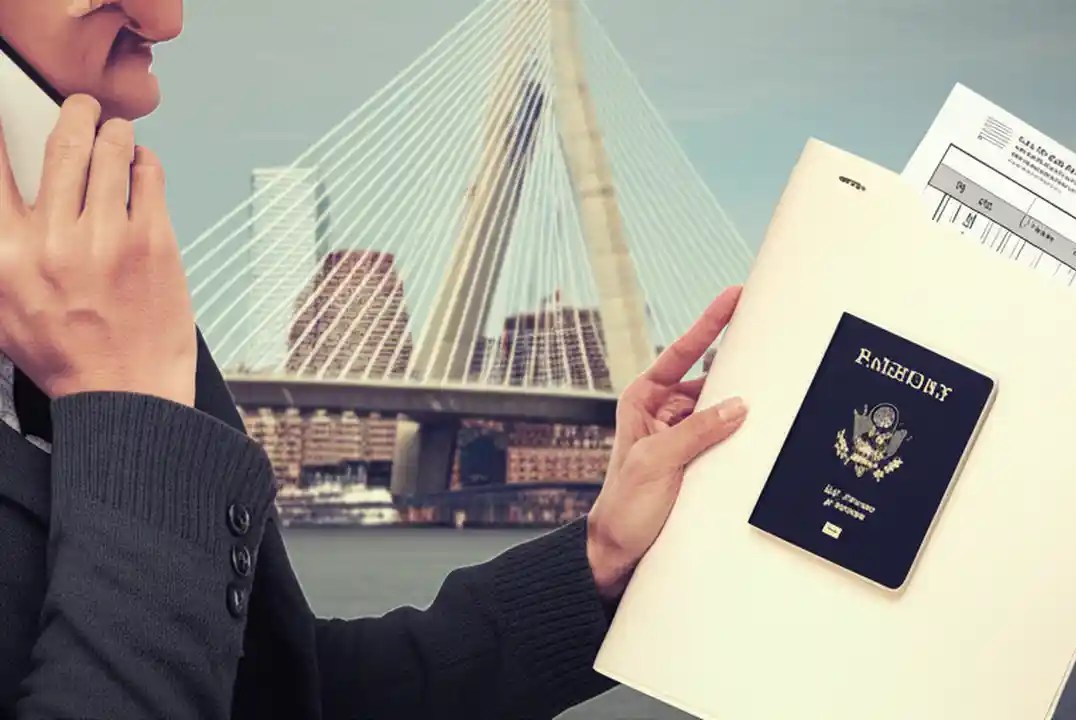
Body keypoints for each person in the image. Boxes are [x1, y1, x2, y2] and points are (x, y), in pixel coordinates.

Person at [0, 1, 749, 718]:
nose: (168, 19)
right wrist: (135, 418)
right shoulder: (119, 356)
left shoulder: (109, 325)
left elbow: (281, 696)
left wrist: (599, 555)